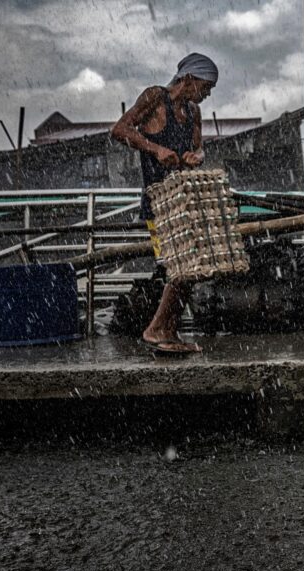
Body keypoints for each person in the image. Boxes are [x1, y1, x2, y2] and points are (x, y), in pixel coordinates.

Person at [111, 52, 218, 353]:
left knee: (193, 266)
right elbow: (119, 129)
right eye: (206, 86)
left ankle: (167, 331)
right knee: (179, 267)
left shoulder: (193, 112)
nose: (207, 93)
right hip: (159, 202)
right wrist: (156, 149)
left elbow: (199, 148)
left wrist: (195, 157)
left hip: (184, 201)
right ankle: (157, 328)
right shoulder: (155, 97)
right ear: (188, 79)